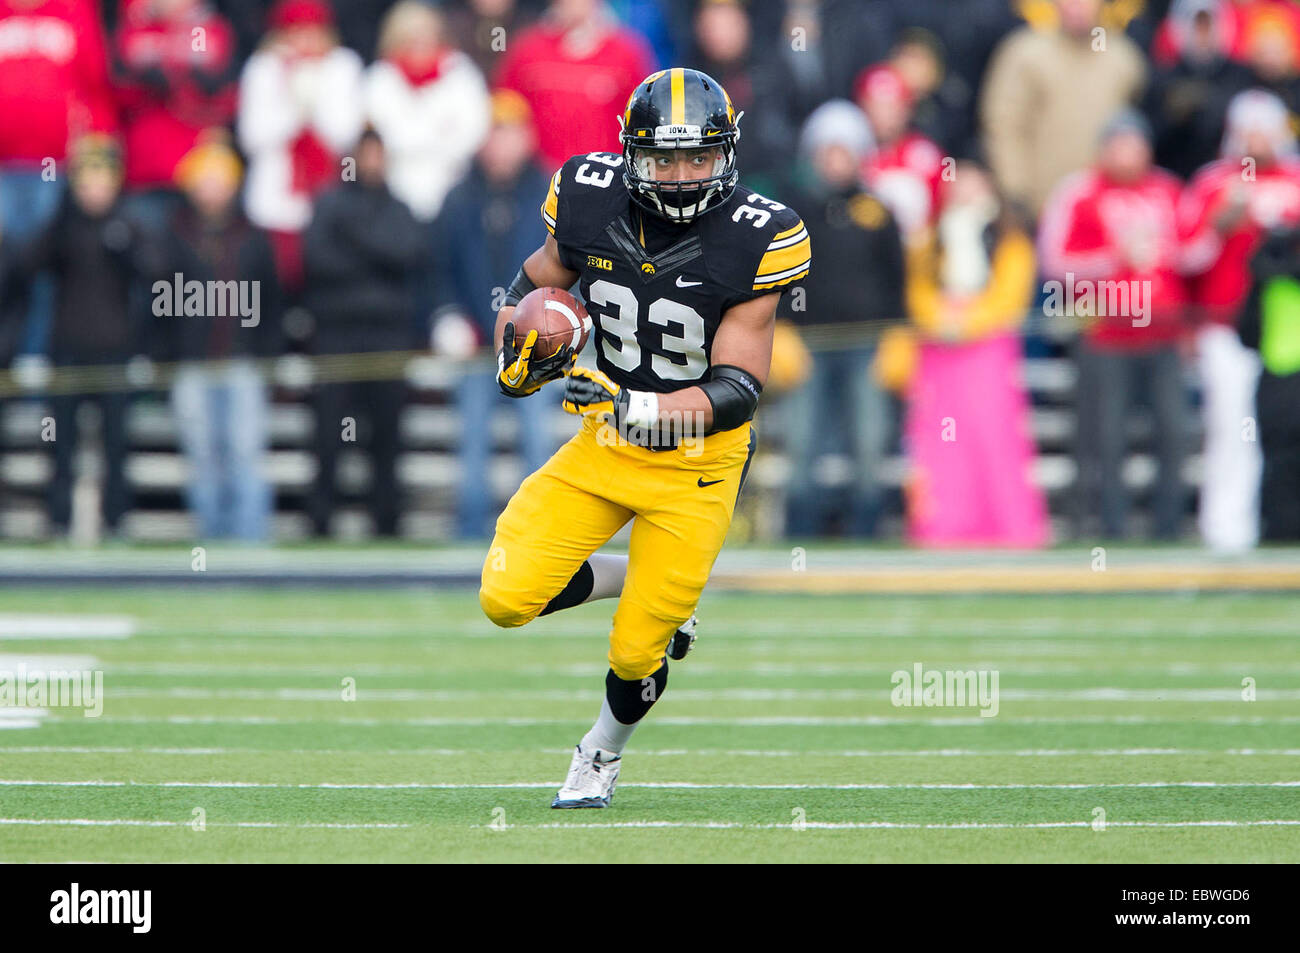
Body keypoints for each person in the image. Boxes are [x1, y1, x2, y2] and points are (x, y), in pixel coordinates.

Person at [478, 68, 810, 808]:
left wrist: (645, 407)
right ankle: (646, 577)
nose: (684, 175)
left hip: (699, 459)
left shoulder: (762, 233)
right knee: (504, 596)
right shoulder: (587, 196)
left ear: (727, 154)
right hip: (607, 440)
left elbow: (737, 389)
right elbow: (527, 287)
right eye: (664, 159)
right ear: (630, 153)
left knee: (635, 650)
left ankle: (599, 750)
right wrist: (516, 357)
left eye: (699, 157)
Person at [1038, 110, 1192, 540]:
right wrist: (1114, 257)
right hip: (1104, 334)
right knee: (1103, 438)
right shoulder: (1079, 192)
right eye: (1118, 144)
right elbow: (1055, 264)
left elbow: (1190, 254)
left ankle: (1169, 526)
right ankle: (1108, 526)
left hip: (1162, 332)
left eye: (1134, 143)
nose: (1127, 153)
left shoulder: (1168, 190)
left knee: (1173, 432)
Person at [15, 135, 161, 537]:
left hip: (114, 350)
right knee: (61, 445)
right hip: (68, 349)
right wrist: (60, 220)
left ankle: (116, 521)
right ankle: (59, 521)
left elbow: (155, 275)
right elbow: (26, 267)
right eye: (86, 180)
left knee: (116, 445)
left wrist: (126, 248)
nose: (94, 190)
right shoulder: (64, 226)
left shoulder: (128, 225)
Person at [431, 90, 558, 539]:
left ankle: (538, 532)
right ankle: (469, 534)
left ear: (526, 138)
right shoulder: (460, 197)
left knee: (536, 444)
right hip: (477, 342)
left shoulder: (551, 194)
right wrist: (448, 317)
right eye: (495, 134)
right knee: (472, 447)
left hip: (534, 342)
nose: (501, 145)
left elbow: (570, 264)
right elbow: (439, 267)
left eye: (510, 134)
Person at [1180, 88, 1300, 551]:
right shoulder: (1213, 182)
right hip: (1226, 325)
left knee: (1285, 432)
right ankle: (1228, 532)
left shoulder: (1294, 177)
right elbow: (1185, 257)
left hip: (1287, 333)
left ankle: (1281, 523)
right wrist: (1220, 224)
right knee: (1233, 429)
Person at [904, 160, 1047, 547]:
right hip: (939, 355)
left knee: (994, 438)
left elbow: (1010, 298)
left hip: (989, 353)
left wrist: (966, 323)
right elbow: (917, 291)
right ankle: (944, 526)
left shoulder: (1008, 239)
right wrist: (938, 319)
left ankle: (1008, 526)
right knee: (941, 442)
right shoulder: (930, 239)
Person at [779, 99, 904, 537]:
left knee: (870, 440)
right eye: (828, 152)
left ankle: (866, 529)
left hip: (867, 344)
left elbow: (897, 282)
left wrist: (897, 335)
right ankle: (798, 529)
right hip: (809, 345)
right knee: (802, 440)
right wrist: (782, 329)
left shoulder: (879, 213)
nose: (836, 162)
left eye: (844, 152)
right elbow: (775, 280)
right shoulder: (792, 214)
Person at [302, 127, 426, 537]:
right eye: (364, 156)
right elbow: (316, 262)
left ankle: (387, 522)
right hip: (336, 337)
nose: (371, 164)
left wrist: (355, 239)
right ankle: (320, 521)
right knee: (327, 435)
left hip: (387, 339)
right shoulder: (328, 204)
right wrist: (376, 253)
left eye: (378, 155)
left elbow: (407, 254)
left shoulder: (397, 207)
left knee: (387, 435)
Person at [162, 138, 282, 540]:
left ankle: (249, 541)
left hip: (240, 361)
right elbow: (160, 300)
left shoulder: (252, 236)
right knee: (203, 456)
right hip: (193, 362)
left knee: (245, 453)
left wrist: (267, 353)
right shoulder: (174, 235)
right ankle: (211, 540)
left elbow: (271, 301)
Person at [364, 0, 490, 222]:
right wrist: (435, 131)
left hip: (453, 187)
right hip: (392, 192)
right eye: (411, 36)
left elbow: (473, 130)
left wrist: (414, 134)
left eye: (425, 34)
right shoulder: (380, 78)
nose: (419, 43)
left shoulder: (460, 72)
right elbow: (380, 136)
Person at [1239, 224, 1300, 540]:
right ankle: (1281, 529)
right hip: (1280, 374)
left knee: (1280, 459)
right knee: (1279, 459)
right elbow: (1247, 331)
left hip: (1279, 376)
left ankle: (1281, 530)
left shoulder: (1271, 271)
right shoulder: (1268, 276)